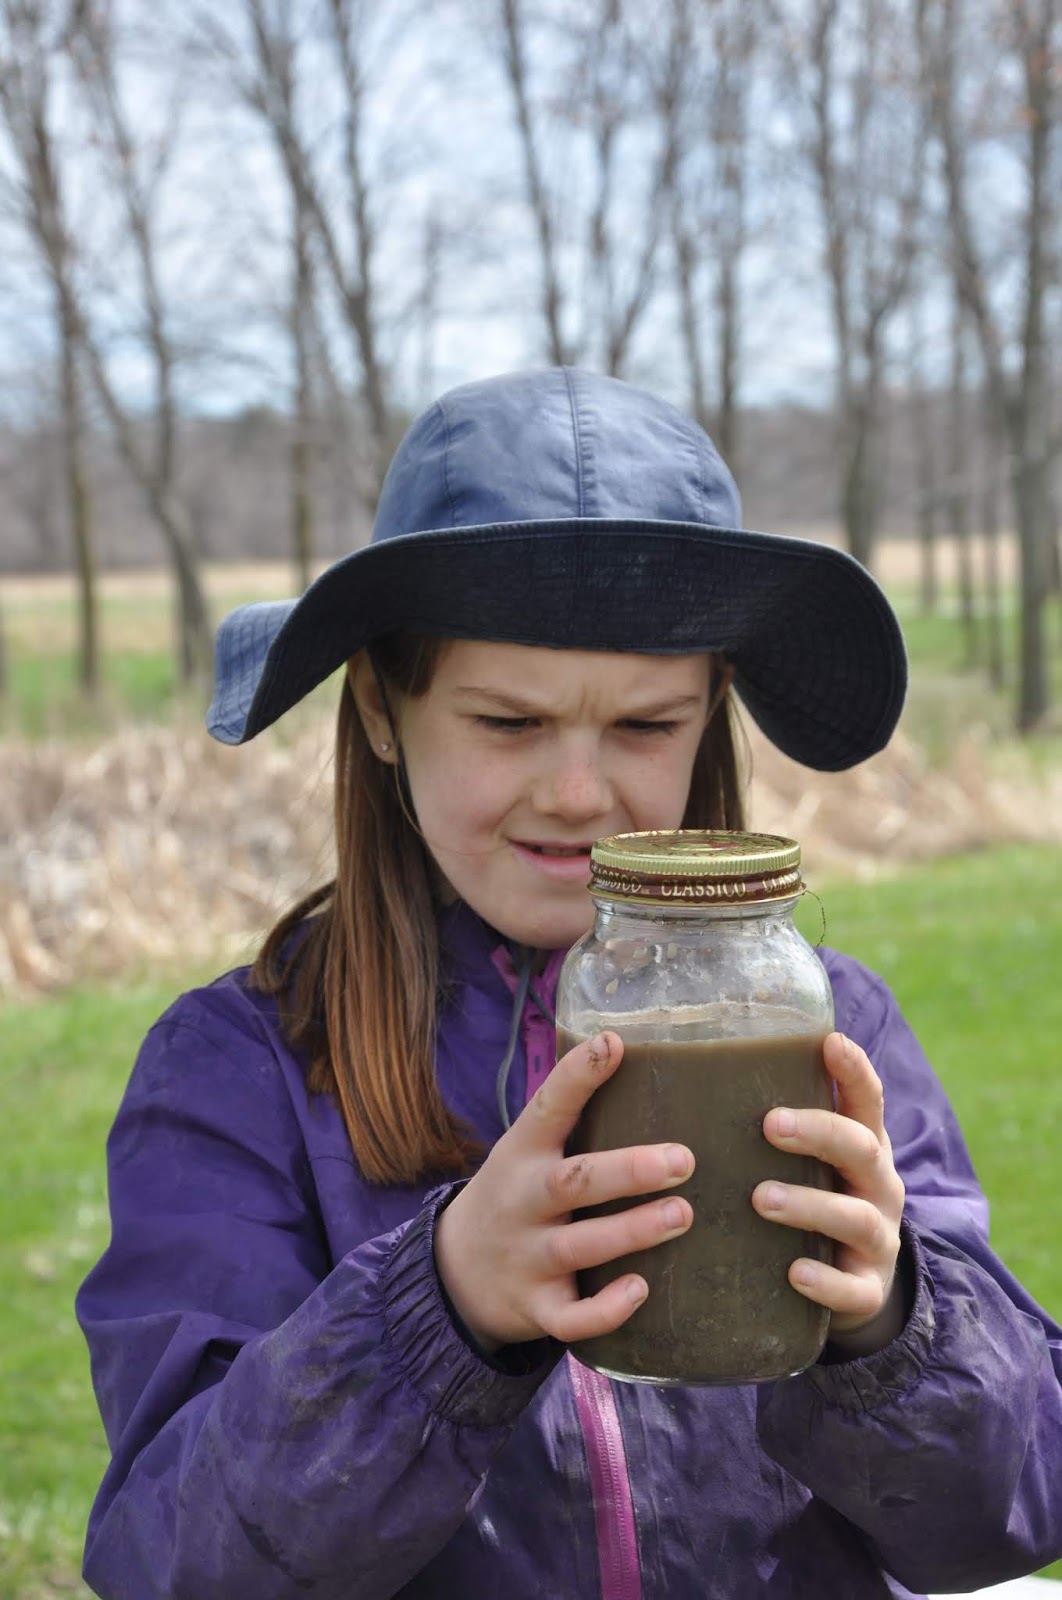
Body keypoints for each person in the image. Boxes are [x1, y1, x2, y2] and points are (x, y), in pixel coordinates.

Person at [76, 368, 1062, 1600]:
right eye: (508, 723)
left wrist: (889, 1329)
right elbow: (177, 1560)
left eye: (647, 727)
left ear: (713, 714)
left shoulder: (829, 1028)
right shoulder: (241, 1069)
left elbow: (1003, 1519)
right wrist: (440, 1313)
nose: (582, 794)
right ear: (383, 708)